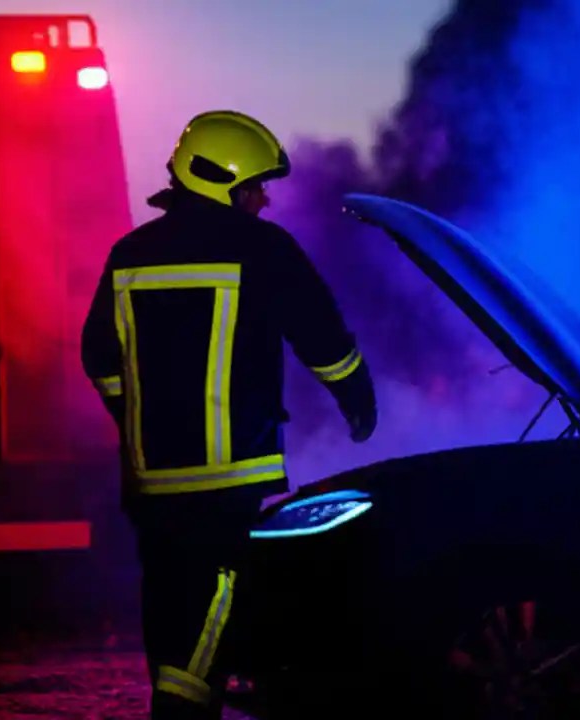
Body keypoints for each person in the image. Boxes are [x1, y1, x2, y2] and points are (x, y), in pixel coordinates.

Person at [81, 109, 377, 719]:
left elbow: (100, 359)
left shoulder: (129, 251)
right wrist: (358, 401)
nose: (265, 200)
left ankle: (182, 698)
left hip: (151, 484)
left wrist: (136, 420)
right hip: (225, 480)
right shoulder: (261, 248)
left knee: (172, 611)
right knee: (214, 609)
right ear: (223, 181)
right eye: (256, 186)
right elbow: (321, 335)